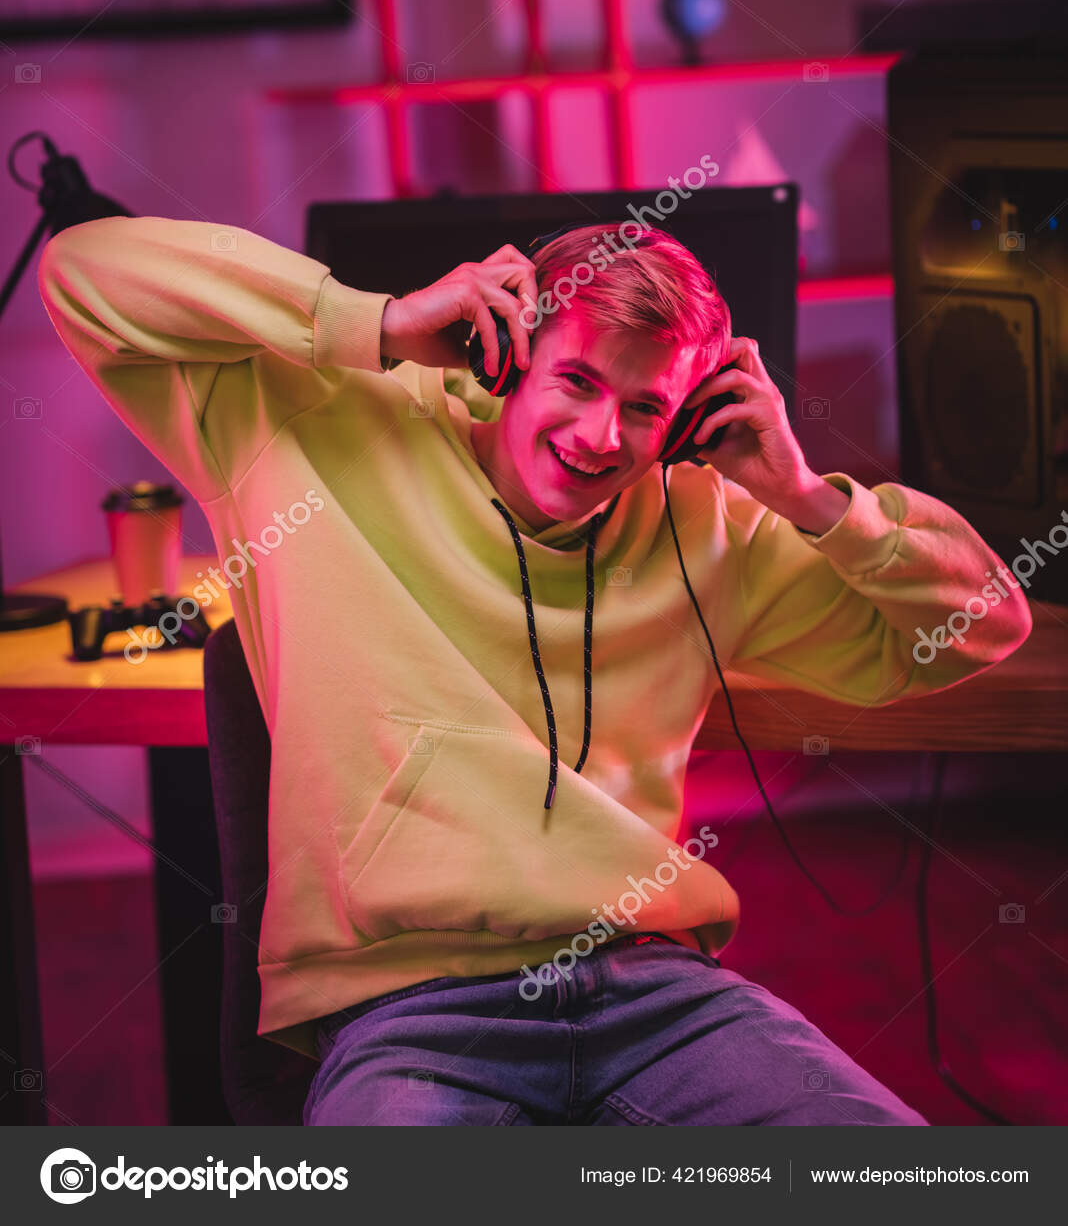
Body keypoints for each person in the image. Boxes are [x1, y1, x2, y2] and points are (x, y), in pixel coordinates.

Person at [37, 215, 1031, 1127]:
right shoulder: (311, 428)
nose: (602, 436)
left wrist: (807, 495)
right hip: (409, 1013)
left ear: (689, 420)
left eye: (647, 406)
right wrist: (372, 321)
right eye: (579, 381)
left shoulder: (708, 522)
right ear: (508, 359)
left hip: (655, 991)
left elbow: (987, 622)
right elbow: (84, 273)